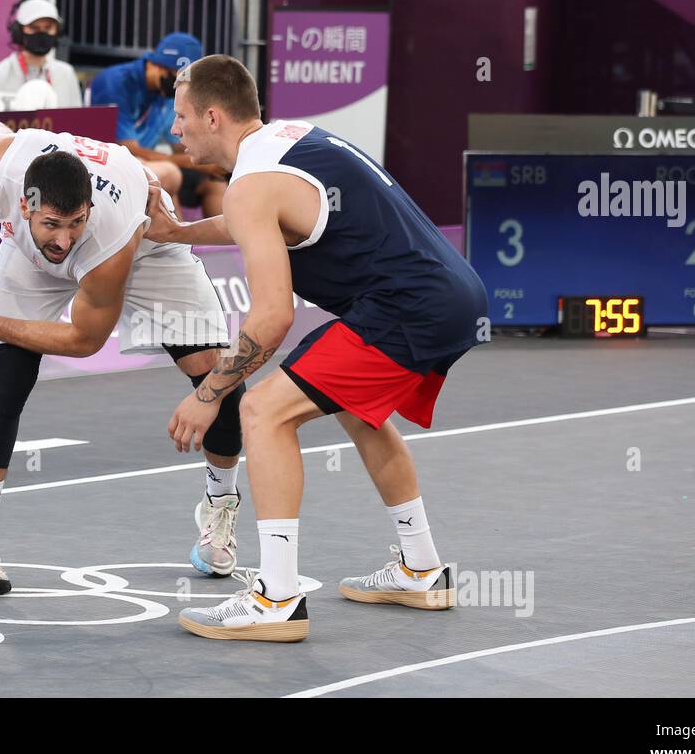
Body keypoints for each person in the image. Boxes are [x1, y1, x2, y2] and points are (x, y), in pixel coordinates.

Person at [150, 55, 489, 643]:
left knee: (262, 411)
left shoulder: (252, 185)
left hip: (406, 305)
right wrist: (179, 235)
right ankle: (420, 568)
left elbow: (273, 317)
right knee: (359, 410)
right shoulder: (288, 139)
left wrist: (209, 393)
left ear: (211, 115)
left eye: (181, 118)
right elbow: (256, 219)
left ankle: (276, 597)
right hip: (450, 291)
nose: (174, 131)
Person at [0, 123, 247, 596]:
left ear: (88, 209)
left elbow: (83, 339)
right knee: (11, 371)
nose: (64, 240)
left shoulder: (106, 238)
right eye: (52, 224)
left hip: (144, 246)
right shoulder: (2, 165)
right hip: (28, 256)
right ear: (24, 205)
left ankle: (219, 507)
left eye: (75, 222)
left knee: (217, 380)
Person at [89, 32, 227, 217]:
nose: (178, 83)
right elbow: (129, 150)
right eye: (174, 76)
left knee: (214, 181)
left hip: (149, 164)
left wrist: (211, 159)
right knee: (170, 174)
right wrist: (192, 163)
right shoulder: (116, 83)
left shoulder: (169, 92)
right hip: (109, 167)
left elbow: (180, 145)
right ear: (156, 64)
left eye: (184, 79)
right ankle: (178, 241)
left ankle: (227, 245)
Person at [0, 0, 82, 112]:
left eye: (48, 28)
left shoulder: (67, 75)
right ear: (19, 31)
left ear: (57, 31)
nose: (42, 33)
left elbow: (76, 123)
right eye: (34, 27)